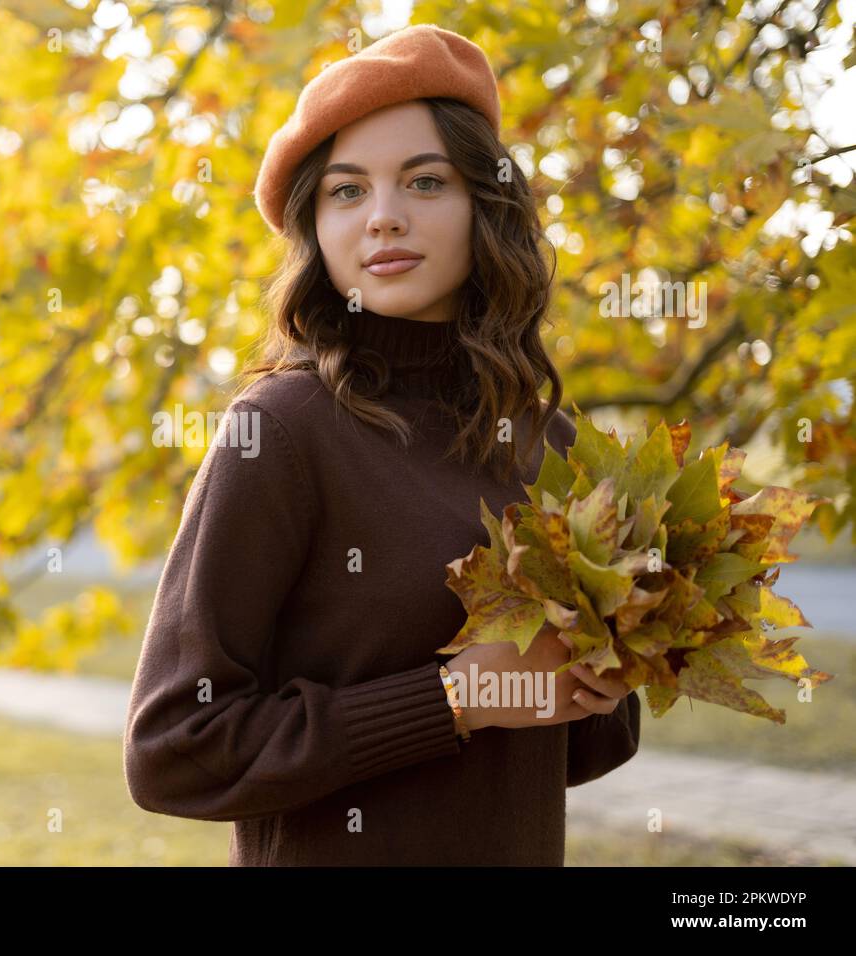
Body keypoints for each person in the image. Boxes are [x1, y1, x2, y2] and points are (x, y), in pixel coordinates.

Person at [122, 23, 640, 866]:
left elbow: (584, 750)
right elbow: (173, 750)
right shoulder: (280, 432)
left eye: (425, 181)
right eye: (347, 192)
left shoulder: (556, 444)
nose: (385, 219)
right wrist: (453, 700)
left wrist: (602, 683)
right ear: (315, 227)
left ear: (486, 203)